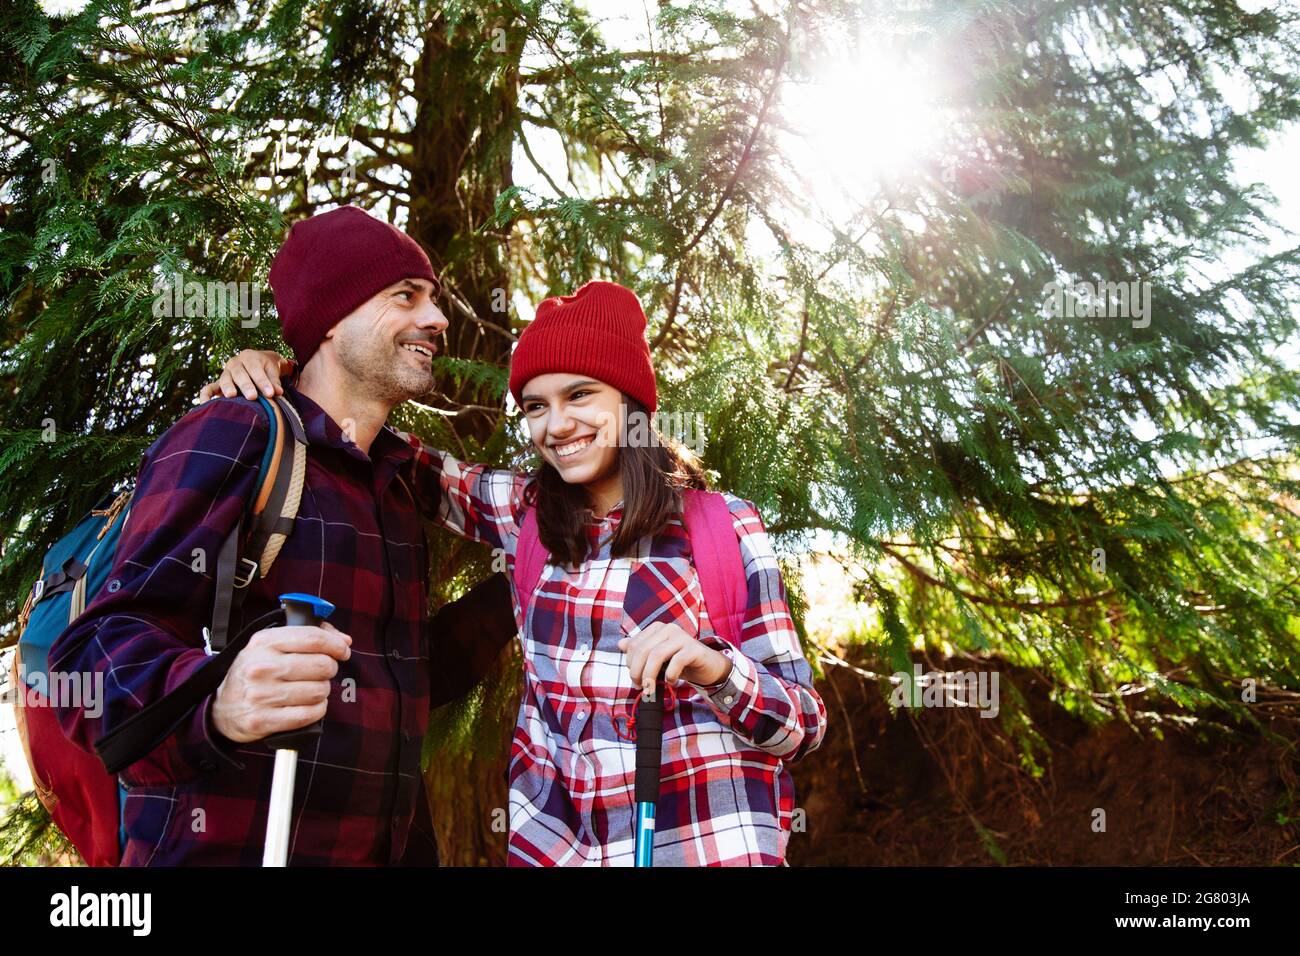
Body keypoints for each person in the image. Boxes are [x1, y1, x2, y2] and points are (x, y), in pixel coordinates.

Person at [211, 279, 829, 866]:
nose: (557, 425)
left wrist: (713, 665)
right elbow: (384, 444)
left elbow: (801, 726)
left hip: (704, 845)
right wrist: (291, 373)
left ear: (631, 400)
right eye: (537, 406)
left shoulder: (723, 528)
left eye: (581, 394)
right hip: (556, 849)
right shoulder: (526, 515)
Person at [50, 205, 517, 865]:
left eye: (434, 301)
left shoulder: (399, 485)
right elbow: (93, 656)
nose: (437, 320)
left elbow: (398, 683)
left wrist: (515, 596)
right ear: (331, 319)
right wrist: (217, 700)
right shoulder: (239, 433)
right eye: (404, 297)